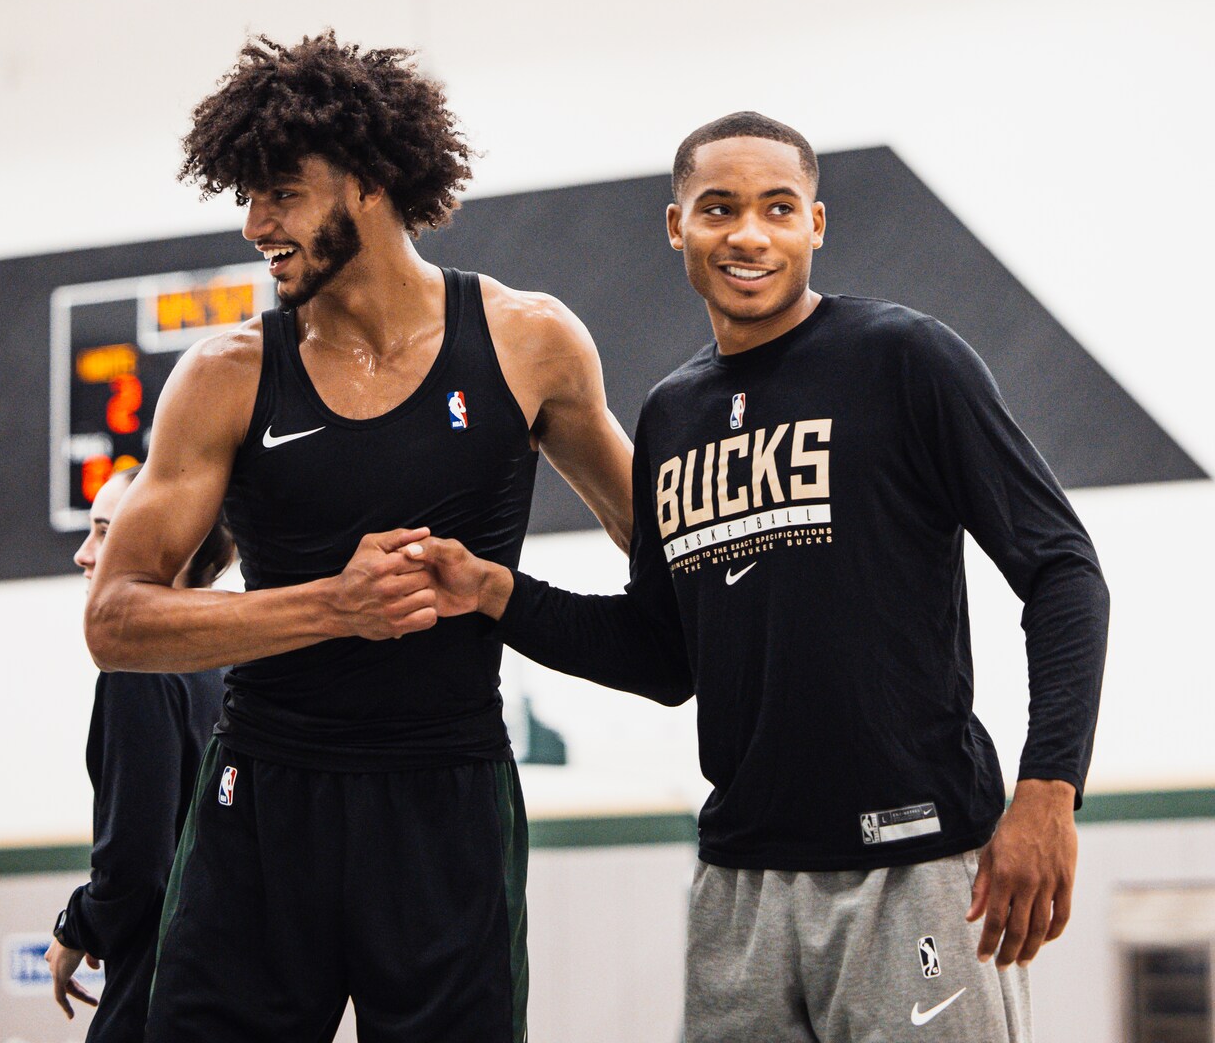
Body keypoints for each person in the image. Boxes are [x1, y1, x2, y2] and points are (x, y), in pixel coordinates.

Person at [415, 110, 1111, 1043]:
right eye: (720, 208)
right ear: (678, 226)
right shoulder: (671, 415)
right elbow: (665, 656)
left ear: (815, 225)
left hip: (913, 860)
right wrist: (499, 593)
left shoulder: (905, 358)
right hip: (739, 881)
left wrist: (1050, 790)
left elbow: (1063, 569)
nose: (749, 234)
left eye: (779, 208)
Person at [84, 33, 635, 1043]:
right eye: (245, 199)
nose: (255, 226)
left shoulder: (528, 341)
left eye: (280, 195)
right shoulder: (225, 374)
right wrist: (331, 608)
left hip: (446, 801)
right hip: (262, 799)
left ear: (371, 181)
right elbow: (115, 623)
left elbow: (664, 544)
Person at [46, 464, 235, 1036]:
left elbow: (137, 865)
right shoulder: (237, 658)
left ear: (168, 542)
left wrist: (74, 928)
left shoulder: (139, 663)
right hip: (241, 990)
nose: (84, 554)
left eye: (105, 531)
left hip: (165, 991)